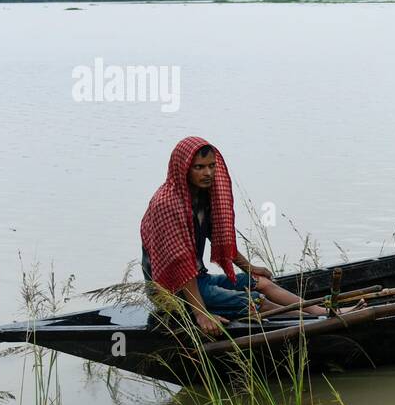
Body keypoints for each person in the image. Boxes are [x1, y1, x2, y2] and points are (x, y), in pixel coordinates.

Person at [140, 136, 329, 336]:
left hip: (198, 279)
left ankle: (322, 312)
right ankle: (316, 322)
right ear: (183, 168)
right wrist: (201, 313)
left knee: (261, 282)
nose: (208, 173)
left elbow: (220, 241)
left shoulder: (201, 196)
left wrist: (250, 268)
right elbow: (180, 263)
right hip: (173, 290)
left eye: (212, 166)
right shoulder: (168, 204)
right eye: (199, 167)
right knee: (256, 302)